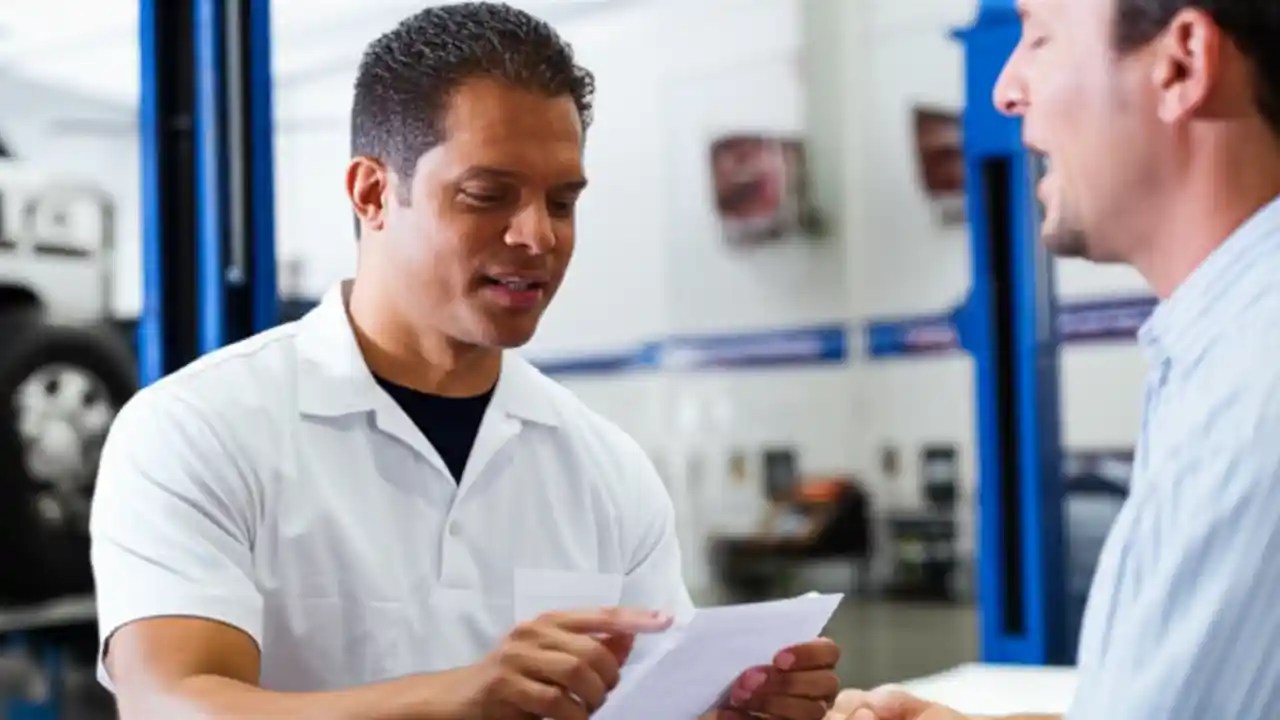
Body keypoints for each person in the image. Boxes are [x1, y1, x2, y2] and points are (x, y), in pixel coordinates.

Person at [89, 3, 841, 719]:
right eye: (488, 195)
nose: (537, 237)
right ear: (373, 192)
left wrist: (728, 709)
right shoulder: (197, 432)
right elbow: (169, 703)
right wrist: (454, 699)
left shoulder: (604, 469)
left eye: (562, 202)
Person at [827, 0, 1280, 718]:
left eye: (1039, 36)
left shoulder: (1252, 397)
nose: (1005, 89)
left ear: (1182, 62)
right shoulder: (1217, 353)